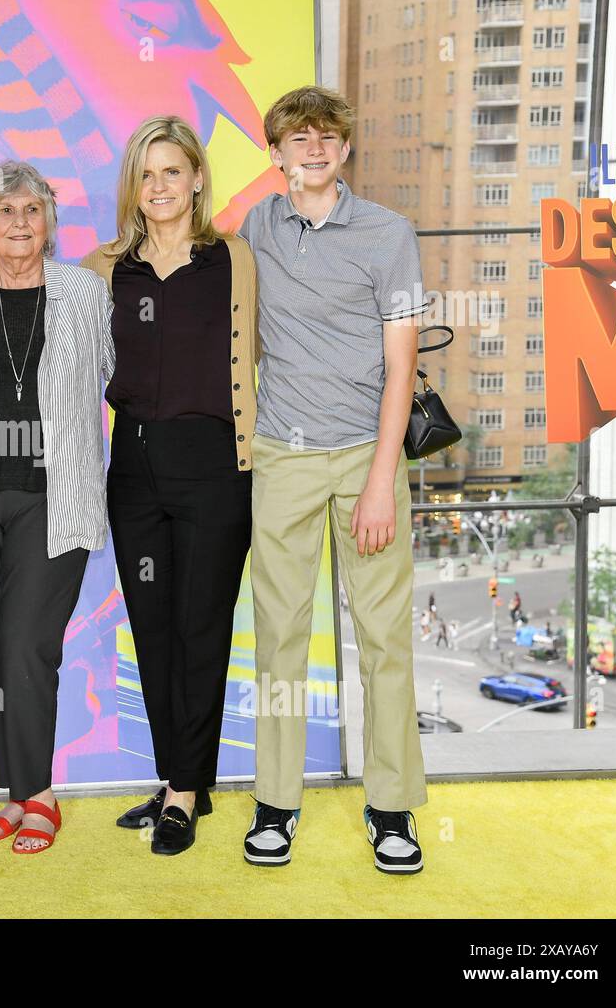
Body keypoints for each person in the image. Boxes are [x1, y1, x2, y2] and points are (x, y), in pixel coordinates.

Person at [239, 86, 427, 875]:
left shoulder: (390, 234)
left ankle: (392, 809)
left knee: (384, 640)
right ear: (276, 152)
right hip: (282, 455)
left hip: (365, 455)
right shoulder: (256, 228)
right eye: (299, 138)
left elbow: (402, 365)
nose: (314, 149)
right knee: (279, 639)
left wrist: (382, 480)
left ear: (345, 150)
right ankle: (276, 802)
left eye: (328, 138)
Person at [82, 115, 259, 856]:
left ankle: (185, 790)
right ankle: (179, 776)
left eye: (171, 171)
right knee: (151, 629)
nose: (158, 186)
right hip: (135, 466)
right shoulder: (102, 269)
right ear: (134, 186)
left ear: (195, 180)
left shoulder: (235, 261)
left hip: (214, 463)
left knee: (199, 628)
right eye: (145, 174)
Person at [0, 161, 113, 855]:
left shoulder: (85, 292)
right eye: (5, 211)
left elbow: (108, 373)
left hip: (55, 494)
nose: (19, 223)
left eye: (31, 210)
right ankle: (16, 791)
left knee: (25, 645)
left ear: (50, 220)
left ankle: (39, 792)